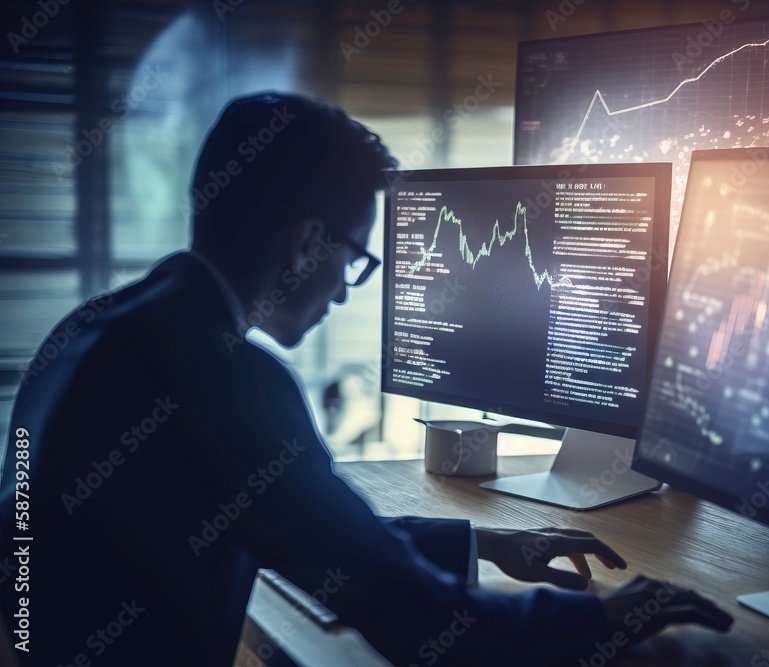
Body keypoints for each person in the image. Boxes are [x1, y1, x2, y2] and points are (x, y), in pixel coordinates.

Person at [0, 91, 732, 666]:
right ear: (308, 241)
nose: (348, 290)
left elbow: (283, 518)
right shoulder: (228, 379)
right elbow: (423, 626)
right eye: (355, 259)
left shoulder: (92, 326)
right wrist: (608, 612)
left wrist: (482, 546)